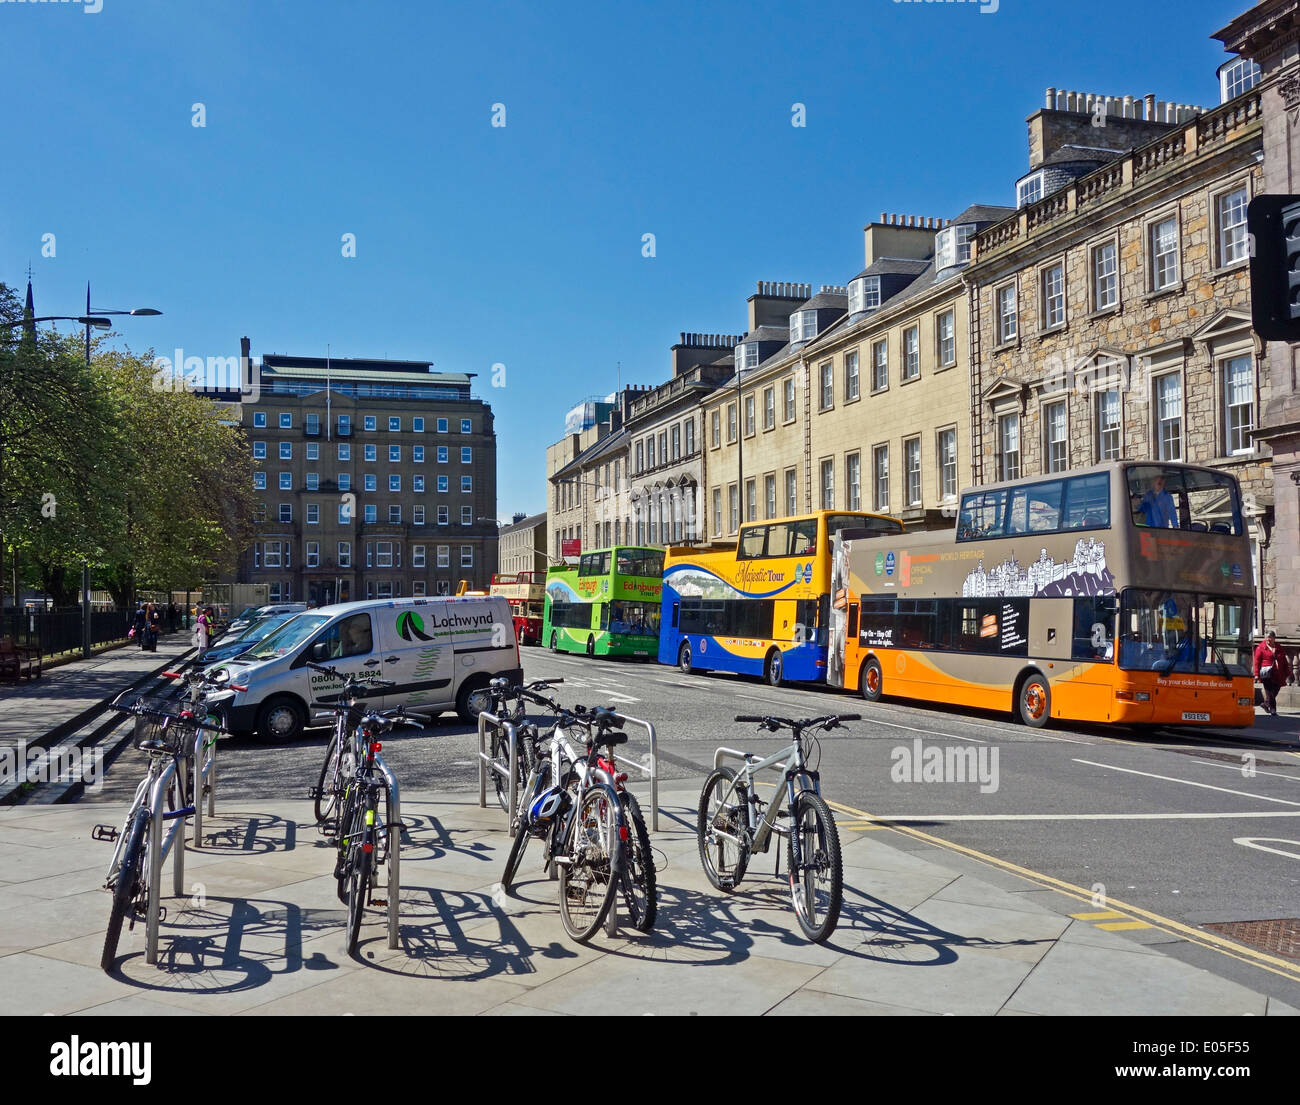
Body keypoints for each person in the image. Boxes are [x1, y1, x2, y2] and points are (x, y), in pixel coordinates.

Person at [1253, 631, 1293, 717]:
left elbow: (1284, 660)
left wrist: (1287, 671)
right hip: (1266, 674)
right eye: (1266, 637)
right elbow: (1256, 662)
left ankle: (1265, 704)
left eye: (1270, 637)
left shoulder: (1279, 647)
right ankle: (1273, 709)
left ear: (1274, 638)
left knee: (1276, 689)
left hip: (1278, 673)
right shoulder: (1261, 647)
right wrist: (1256, 674)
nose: (1268, 639)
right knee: (1269, 692)